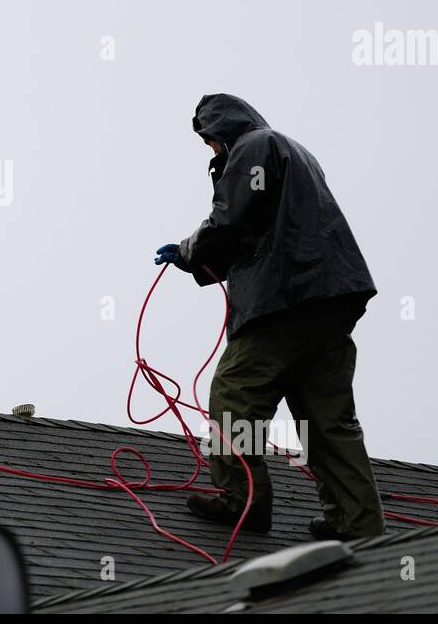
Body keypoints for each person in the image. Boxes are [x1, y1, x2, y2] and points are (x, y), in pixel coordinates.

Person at [155, 93, 385, 541]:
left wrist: (188, 251)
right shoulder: (296, 152)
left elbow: (231, 217)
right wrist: (205, 262)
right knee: (327, 420)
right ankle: (357, 524)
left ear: (220, 130)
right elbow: (266, 225)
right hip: (329, 300)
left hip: (284, 299)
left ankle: (242, 502)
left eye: (209, 142)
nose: (212, 152)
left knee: (234, 399)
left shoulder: (254, 146)